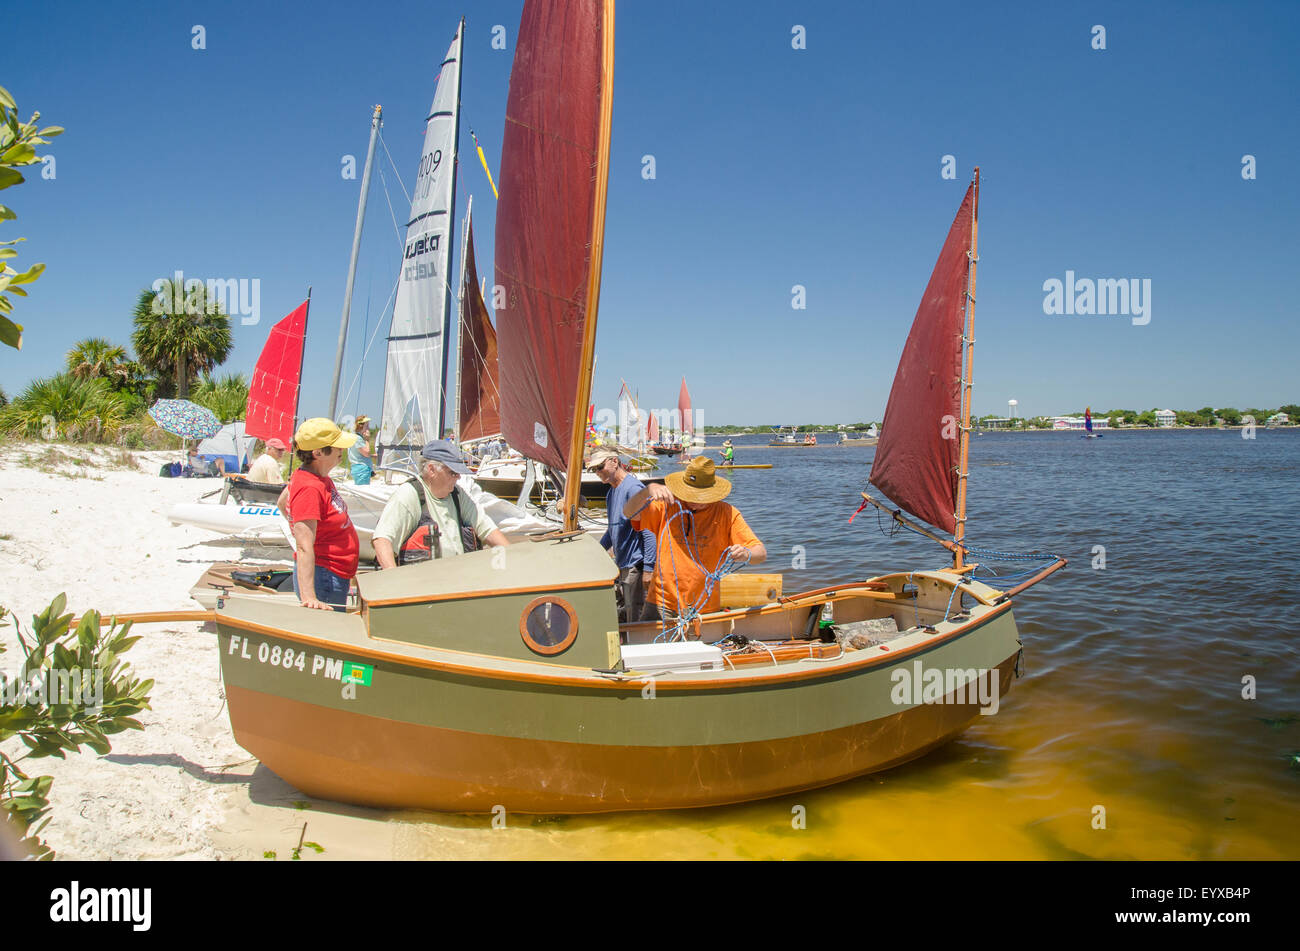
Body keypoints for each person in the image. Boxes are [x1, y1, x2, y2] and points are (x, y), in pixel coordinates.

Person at [624, 455, 766, 624]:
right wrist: (647, 490)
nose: (694, 502)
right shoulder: (667, 504)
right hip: (662, 603)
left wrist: (746, 553)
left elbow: (761, 553)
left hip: (705, 607)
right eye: (690, 495)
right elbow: (629, 513)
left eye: (701, 498)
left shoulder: (727, 513)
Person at [372, 440, 509, 568]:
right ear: (431, 470)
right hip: (422, 586)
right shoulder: (409, 494)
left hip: (458, 583)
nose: (459, 477)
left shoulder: (458, 495)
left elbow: (488, 530)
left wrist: (514, 557)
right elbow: (382, 540)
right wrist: (393, 581)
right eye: (453, 472)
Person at [277, 418, 359, 611]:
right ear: (318, 453)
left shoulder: (316, 476)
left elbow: (282, 502)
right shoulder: (309, 487)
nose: (342, 450)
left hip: (333, 573)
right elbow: (304, 546)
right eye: (337, 446)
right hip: (324, 577)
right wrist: (309, 597)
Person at [589, 449, 657, 623]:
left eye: (599, 466)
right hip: (622, 565)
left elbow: (649, 532)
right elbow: (613, 530)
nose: (597, 472)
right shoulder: (612, 492)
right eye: (593, 469)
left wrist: (649, 569)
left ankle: (638, 648)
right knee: (624, 613)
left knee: (635, 615)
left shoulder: (633, 489)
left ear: (614, 461)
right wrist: (595, 553)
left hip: (636, 565)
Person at [348, 415, 374, 485]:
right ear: (361, 426)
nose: (368, 428)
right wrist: (367, 440)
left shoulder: (355, 436)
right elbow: (366, 453)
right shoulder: (358, 438)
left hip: (358, 468)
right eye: (367, 426)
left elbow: (360, 452)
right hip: (361, 469)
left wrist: (373, 455)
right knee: (363, 488)